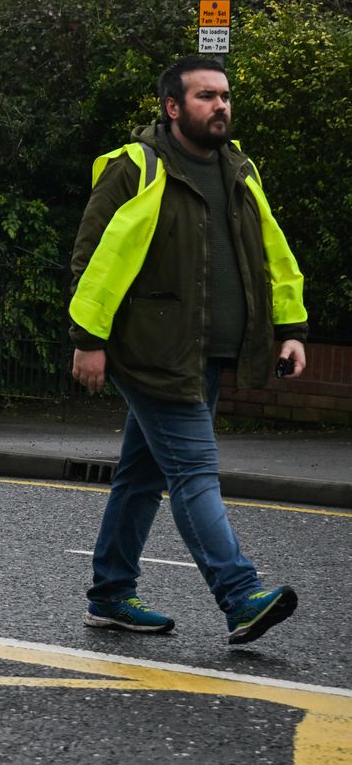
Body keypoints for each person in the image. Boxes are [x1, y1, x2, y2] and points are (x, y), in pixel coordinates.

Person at [68, 56, 304, 645]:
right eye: (206, 96)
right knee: (195, 473)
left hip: (210, 353)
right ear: (173, 107)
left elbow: (271, 251)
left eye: (224, 95)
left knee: (142, 475)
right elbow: (91, 258)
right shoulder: (136, 167)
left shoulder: (239, 169)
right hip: (152, 352)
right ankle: (240, 594)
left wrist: (292, 327)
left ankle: (110, 594)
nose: (220, 105)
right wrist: (89, 340)